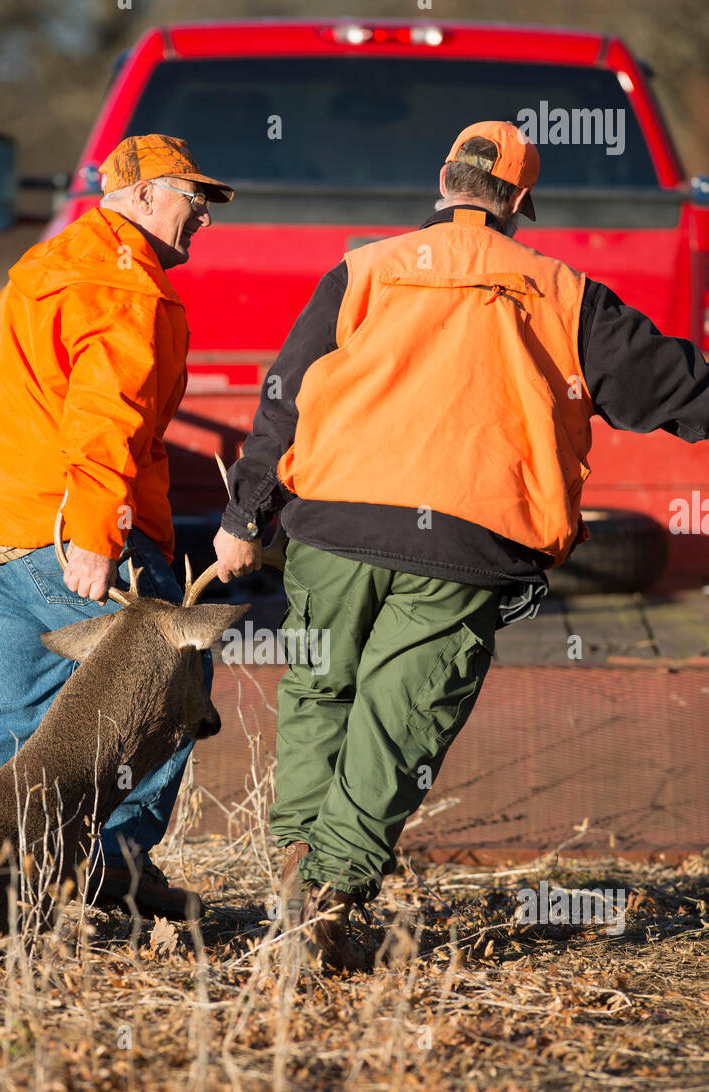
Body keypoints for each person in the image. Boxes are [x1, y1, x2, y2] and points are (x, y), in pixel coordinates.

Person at [213, 119, 709, 969]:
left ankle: (296, 865)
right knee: (396, 722)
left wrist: (242, 519)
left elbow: (282, 395)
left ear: (442, 185)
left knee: (320, 692)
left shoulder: (362, 268)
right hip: (462, 539)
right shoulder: (561, 289)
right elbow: (670, 390)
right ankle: (324, 896)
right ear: (520, 200)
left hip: (331, 525)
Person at [0, 134, 234, 920]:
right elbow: (105, 420)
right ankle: (113, 868)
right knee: (174, 670)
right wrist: (94, 537)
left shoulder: (49, 263)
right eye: (189, 197)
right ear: (136, 197)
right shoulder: (126, 281)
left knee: (0, 720)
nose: (201, 215)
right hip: (54, 529)